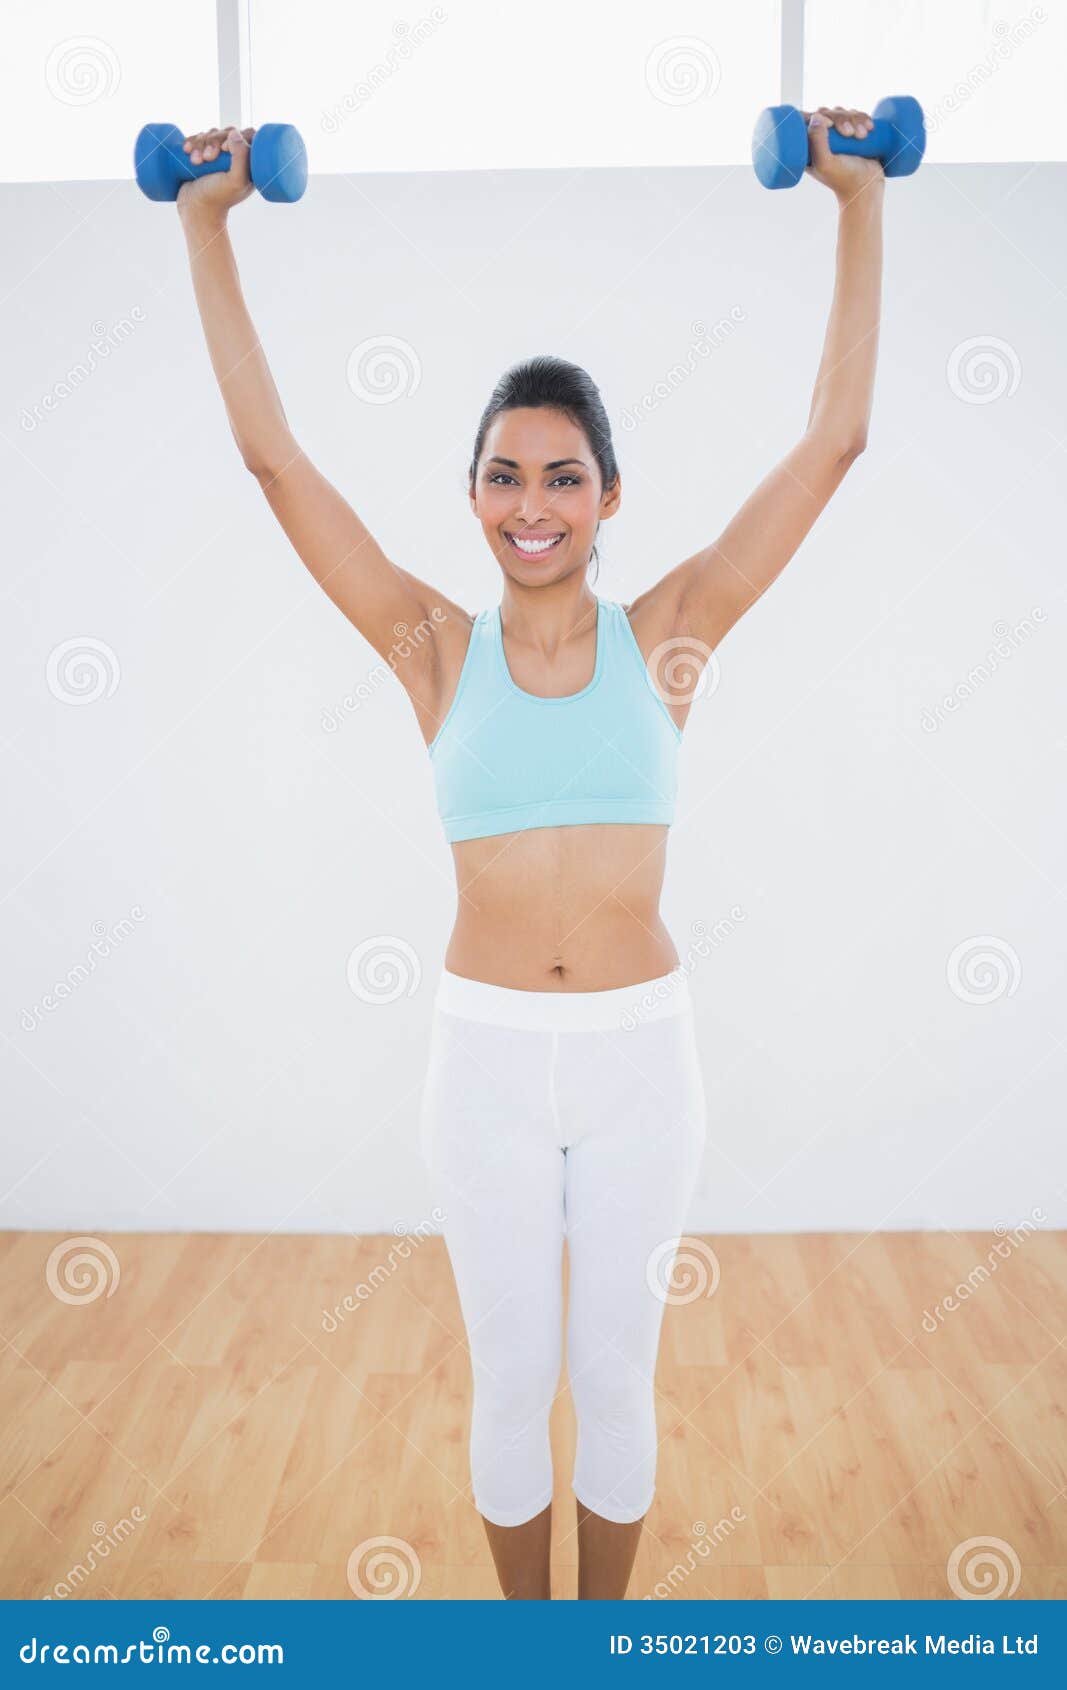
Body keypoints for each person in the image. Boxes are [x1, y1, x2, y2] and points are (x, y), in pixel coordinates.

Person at [175, 106, 883, 1599]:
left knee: (614, 1376)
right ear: (475, 497)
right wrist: (202, 223)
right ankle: (524, 1652)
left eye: (564, 476)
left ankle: (596, 1652)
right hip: (485, 1059)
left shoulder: (671, 634)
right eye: (505, 475)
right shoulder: (429, 648)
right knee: (510, 1379)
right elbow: (271, 460)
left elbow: (834, 444)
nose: (533, 505)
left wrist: (858, 197)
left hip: (641, 1058)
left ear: (609, 495)